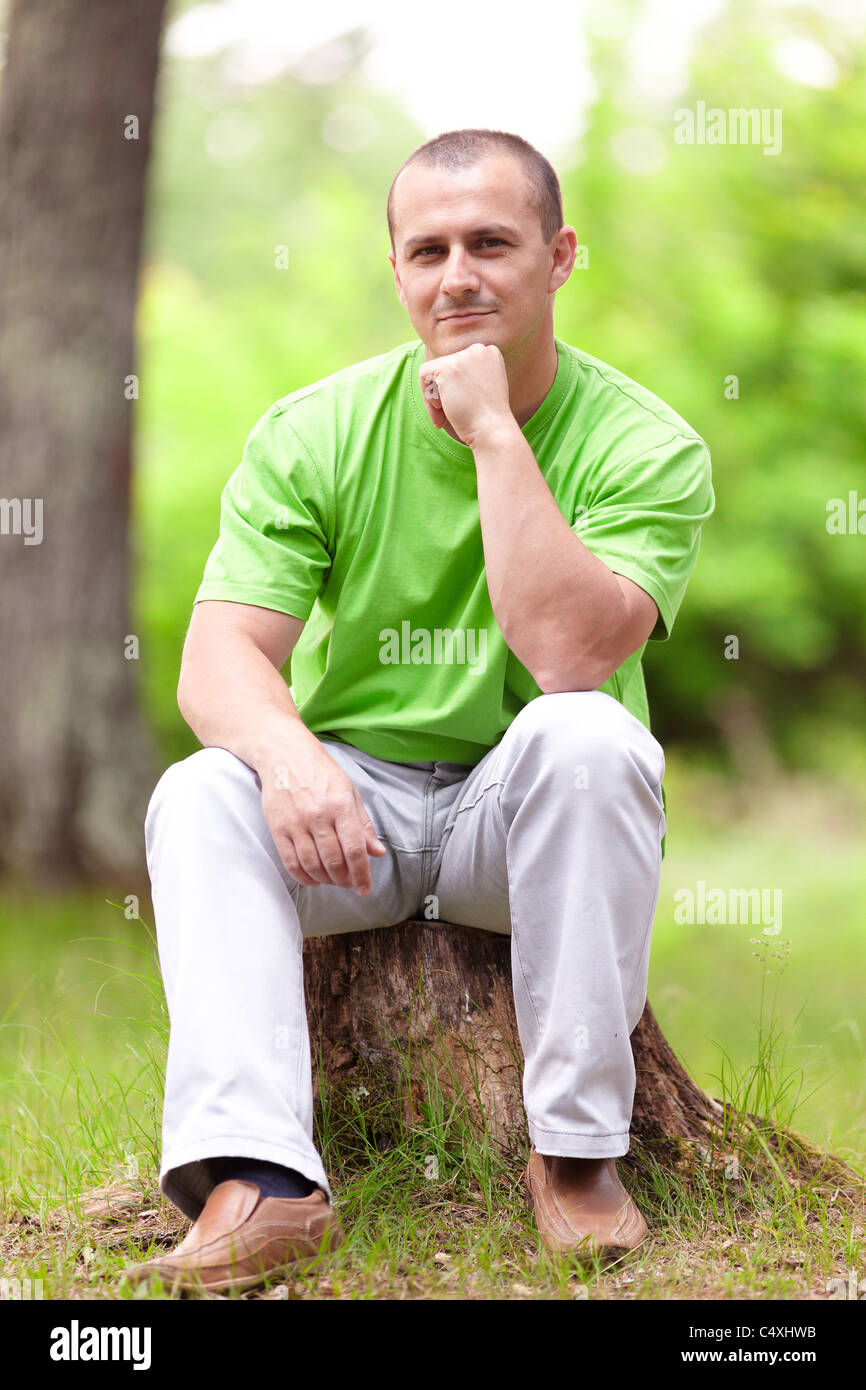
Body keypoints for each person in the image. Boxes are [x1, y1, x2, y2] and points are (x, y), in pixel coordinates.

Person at [125, 127, 714, 1295]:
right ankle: (262, 1180)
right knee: (201, 789)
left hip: (527, 815)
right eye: (426, 249)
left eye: (491, 244)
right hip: (359, 817)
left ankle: (577, 1159)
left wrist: (495, 431)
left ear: (558, 256)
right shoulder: (316, 430)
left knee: (586, 734)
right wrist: (290, 759)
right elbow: (219, 658)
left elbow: (567, 655)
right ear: (394, 270)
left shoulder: (645, 442)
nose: (457, 277)